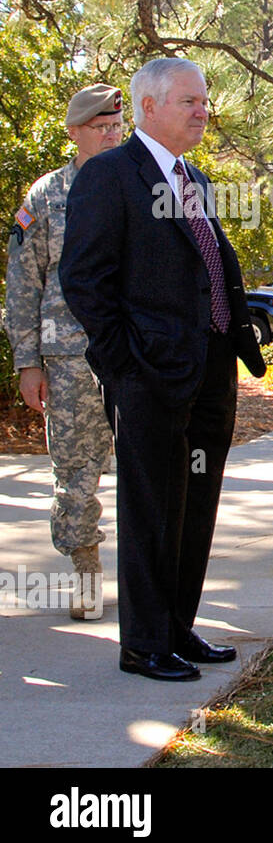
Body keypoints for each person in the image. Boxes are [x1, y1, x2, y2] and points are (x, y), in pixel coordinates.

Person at [60, 58, 266, 681]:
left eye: (204, 101)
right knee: (152, 508)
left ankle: (177, 630)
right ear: (147, 106)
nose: (202, 110)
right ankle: (144, 645)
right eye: (188, 101)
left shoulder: (193, 177)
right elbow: (83, 280)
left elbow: (201, 269)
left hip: (207, 369)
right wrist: (124, 366)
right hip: (149, 375)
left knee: (195, 502)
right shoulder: (109, 175)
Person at [5, 84, 122, 620]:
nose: (112, 134)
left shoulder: (141, 185)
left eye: (117, 126)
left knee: (150, 468)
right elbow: (23, 282)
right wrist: (27, 361)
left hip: (133, 353)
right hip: (70, 358)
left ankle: (154, 578)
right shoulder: (47, 195)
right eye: (101, 127)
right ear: (74, 132)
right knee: (75, 472)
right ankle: (86, 575)